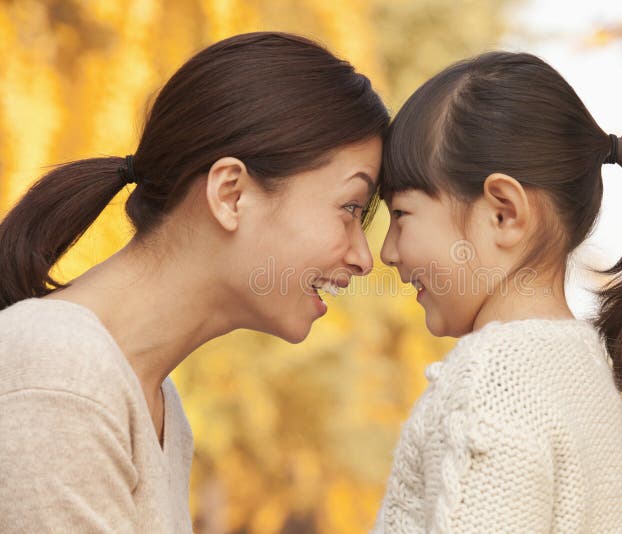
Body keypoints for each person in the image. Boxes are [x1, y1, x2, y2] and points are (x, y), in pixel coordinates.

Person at [0, 31, 388, 532]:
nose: (363, 258)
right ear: (231, 194)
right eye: (350, 208)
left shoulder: (159, 408)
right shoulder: (61, 373)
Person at [374, 51, 622, 532]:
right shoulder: (588, 379)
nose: (387, 251)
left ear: (503, 213)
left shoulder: (491, 382)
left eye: (400, 214)